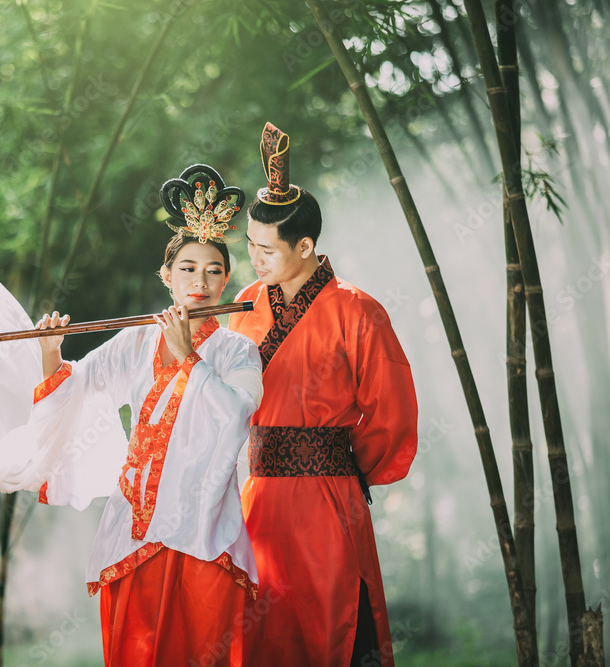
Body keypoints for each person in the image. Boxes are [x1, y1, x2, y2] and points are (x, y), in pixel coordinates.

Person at [31, 164, 262, 665]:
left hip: (205, 530)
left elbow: (236, 417)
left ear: (226, 279)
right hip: (134, 528)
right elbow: (80, 385)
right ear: (166, 276)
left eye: (214, 270)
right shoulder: (136, 340)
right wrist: (52, 354)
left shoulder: (238, 351)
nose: (200, 280)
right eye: (187, 268)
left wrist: (189, 359)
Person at [227, 123, 418, 666]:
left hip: (329, 501)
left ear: (305, 245)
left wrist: (342, 467)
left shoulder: (358, 311)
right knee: (262, 631)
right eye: (250, 245)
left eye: (267, 248)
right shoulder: (244, 304)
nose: (255, 258)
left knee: (336, 620)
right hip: (260, 499)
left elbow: (392, 417)